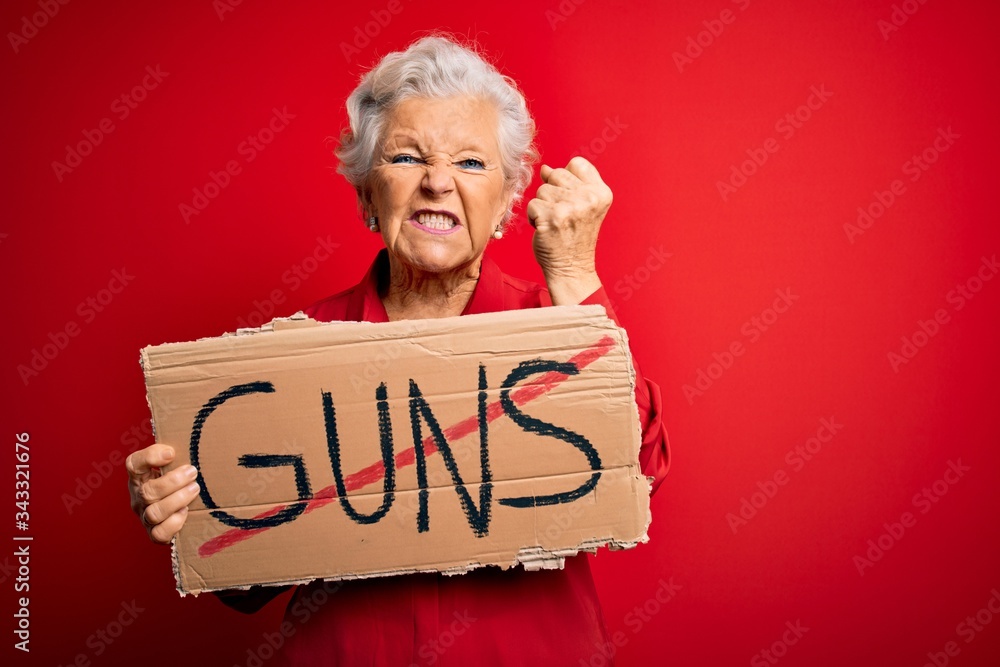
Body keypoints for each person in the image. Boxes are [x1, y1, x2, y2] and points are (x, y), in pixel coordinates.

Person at [127, 35, 669, 666]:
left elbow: (641, 471)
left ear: (505, 205)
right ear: (366, 195)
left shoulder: (557, 323)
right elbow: (248, 589)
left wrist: (574, 274)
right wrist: (194, 509)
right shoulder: (298, 350)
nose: (438, 182)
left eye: (471, 164)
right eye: (408, 157)